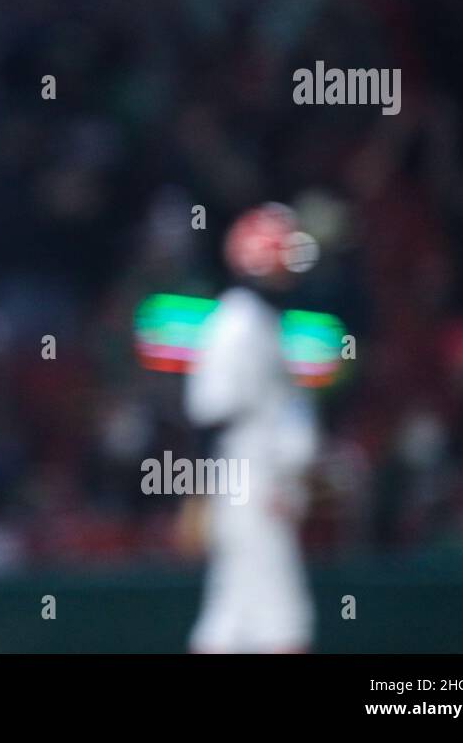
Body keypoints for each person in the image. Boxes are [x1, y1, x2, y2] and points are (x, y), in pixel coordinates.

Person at [179, 203, 320, 653]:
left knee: (231, 622)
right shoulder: (237, 323)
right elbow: (210, 415)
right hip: (250, 481)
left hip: (254, 481)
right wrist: (200, 497)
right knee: (284, 622)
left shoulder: (257, 320)